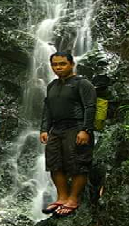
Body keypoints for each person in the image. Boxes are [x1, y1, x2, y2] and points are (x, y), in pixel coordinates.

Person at [39, 52, 96, 217]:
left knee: (78, 164)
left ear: (72, 64)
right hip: (56, 129)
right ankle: (62, 197)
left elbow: (90, 107)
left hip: (76, 127)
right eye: (55, 64)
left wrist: (86, 130)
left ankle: (73, 199)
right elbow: (47, 109)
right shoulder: (52, 85)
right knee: (54, 163)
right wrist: (44, 129)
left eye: (62, 64)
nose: (58, 67)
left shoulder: (82, 83)